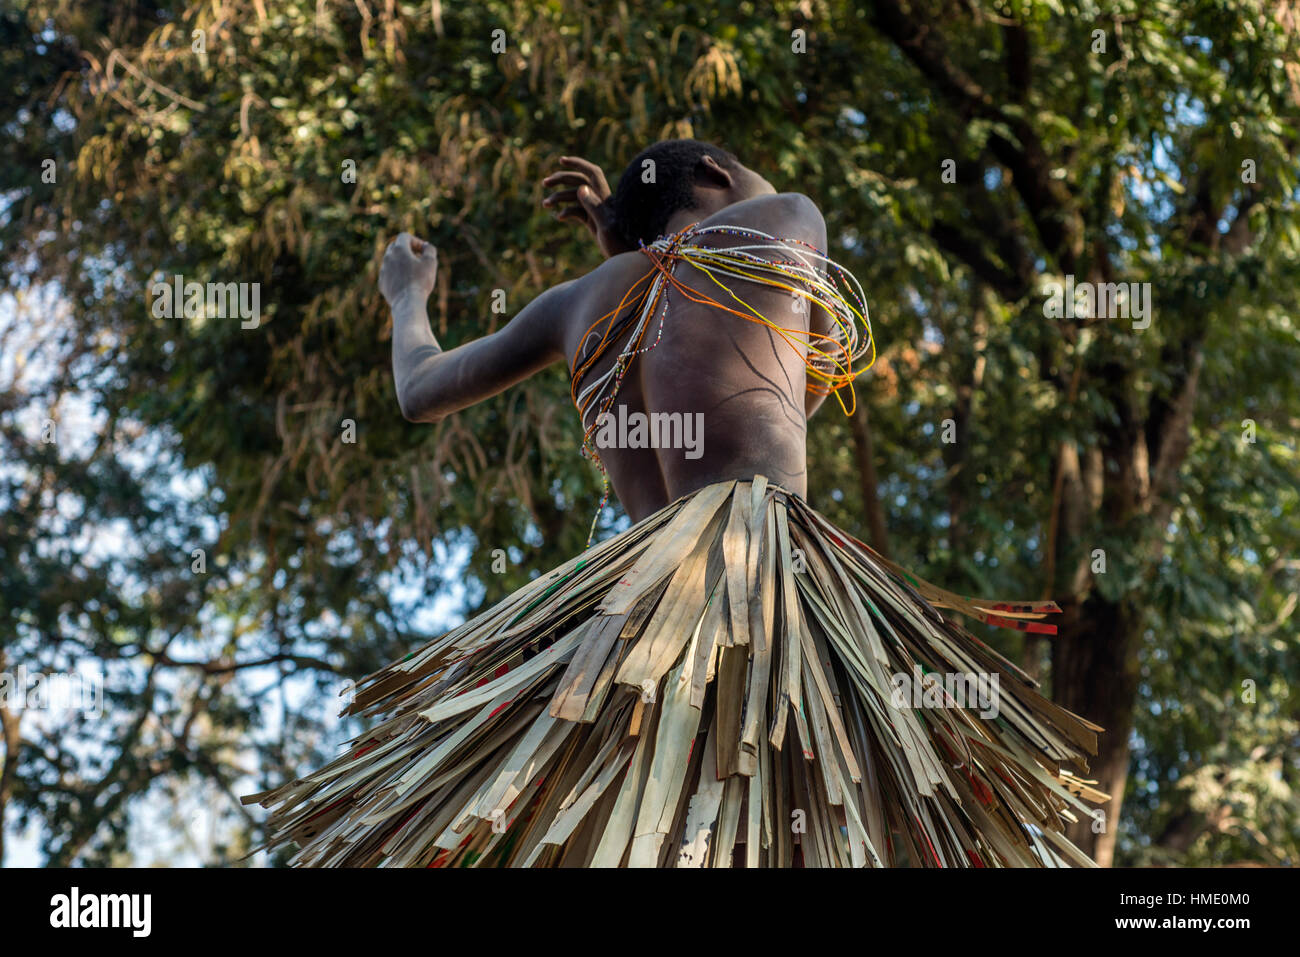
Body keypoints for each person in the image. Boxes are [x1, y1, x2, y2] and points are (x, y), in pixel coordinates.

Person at [246, 139, 1105, 867]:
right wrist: (623, 235)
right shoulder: (787, 221)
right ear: (721, 179)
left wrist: (409, 297)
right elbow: (792, 387)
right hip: (767, 586)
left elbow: (422, 390)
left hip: (639, 629)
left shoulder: (576, 306)